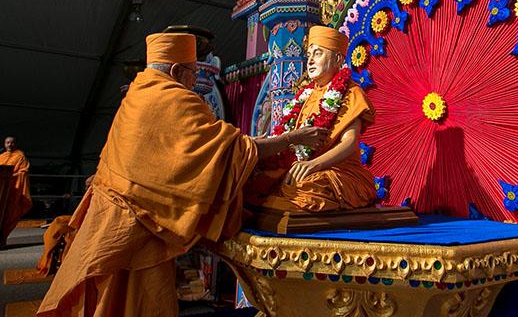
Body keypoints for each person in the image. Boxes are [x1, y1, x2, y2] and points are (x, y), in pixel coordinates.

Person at [37, 32, 326, 317]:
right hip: (132, 225)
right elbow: (228, 151)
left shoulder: (139, 90)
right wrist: (291, 139)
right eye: (192, 72)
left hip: (113, 218)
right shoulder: (171, 98)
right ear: (176, 70)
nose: (193, 81)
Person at [247, 25, 377, 212]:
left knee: (306, 187)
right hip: (301, 165)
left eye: (318, 54)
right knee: (257, 180)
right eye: (309, 55)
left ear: (337, 59)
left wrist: (314, 164)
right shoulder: (306, 96)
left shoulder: (351, 92)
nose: (310, 61)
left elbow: (350, 142)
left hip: (338, 171)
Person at [0, 136, 32, 246]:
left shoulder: (20, 156)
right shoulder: (1, 156)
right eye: (7, 142)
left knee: (9, 214)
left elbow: (23, 171)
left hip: (13, 190)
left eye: (12, 142)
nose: (9, 144)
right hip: (1, 190)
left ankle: (2, 238)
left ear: (15, 144)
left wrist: (10, 176)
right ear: (4, 144)